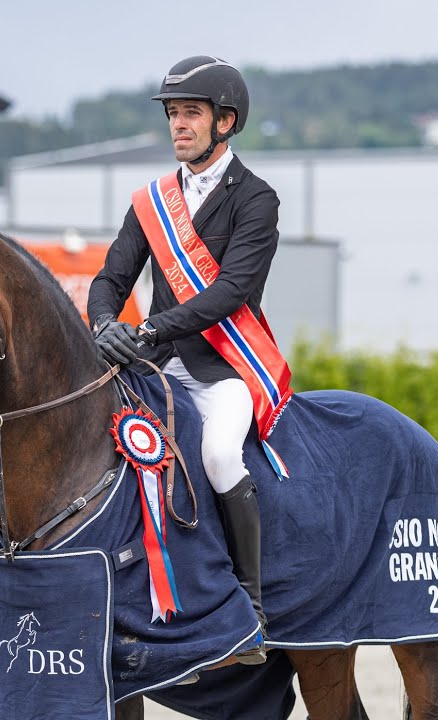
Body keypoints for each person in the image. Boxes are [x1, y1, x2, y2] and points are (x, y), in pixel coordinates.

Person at [87, 56, 294, 664]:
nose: (178, 125)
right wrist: (104, 326)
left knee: (219, 454)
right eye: (174, 114)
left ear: (225, 121)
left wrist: (146, 330)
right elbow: (112, 275)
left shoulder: (257, 200)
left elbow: (229, 292)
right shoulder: (153, 201)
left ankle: (249, 610)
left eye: (191, 114)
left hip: (224, 367)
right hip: (154, 369)